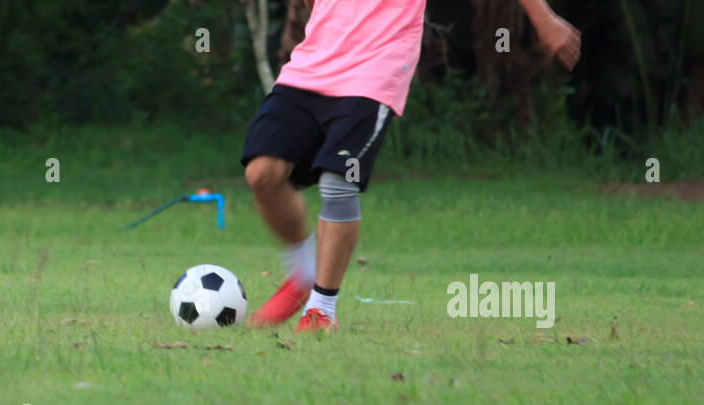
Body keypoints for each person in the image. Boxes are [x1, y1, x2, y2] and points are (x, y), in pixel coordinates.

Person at [242, 0, 582, 332]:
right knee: (262, 172)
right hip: (312, 65)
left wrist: (544, 19)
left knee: (339, 181)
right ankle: (302, 272)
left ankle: (321, 309)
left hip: (373, 73)